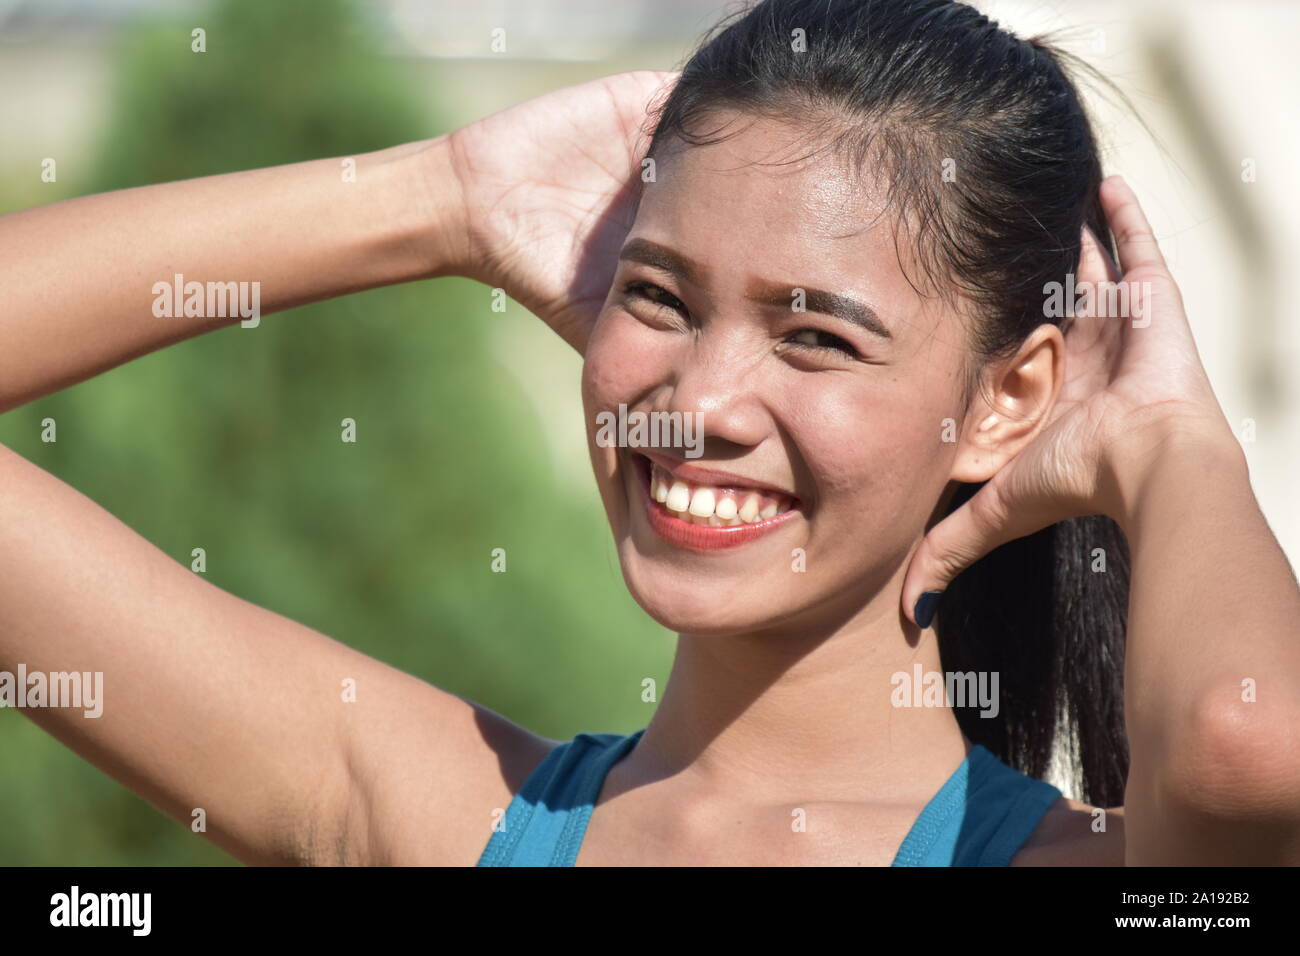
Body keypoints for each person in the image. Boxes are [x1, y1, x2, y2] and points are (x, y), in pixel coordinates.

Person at [1, 0, 1297, 866]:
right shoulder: (446, 816)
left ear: (1008, 399)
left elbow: (1245, 745)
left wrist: (1168, 439)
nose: (696, 401)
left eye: (816, 335)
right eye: (661, 298)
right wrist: (443, 197)